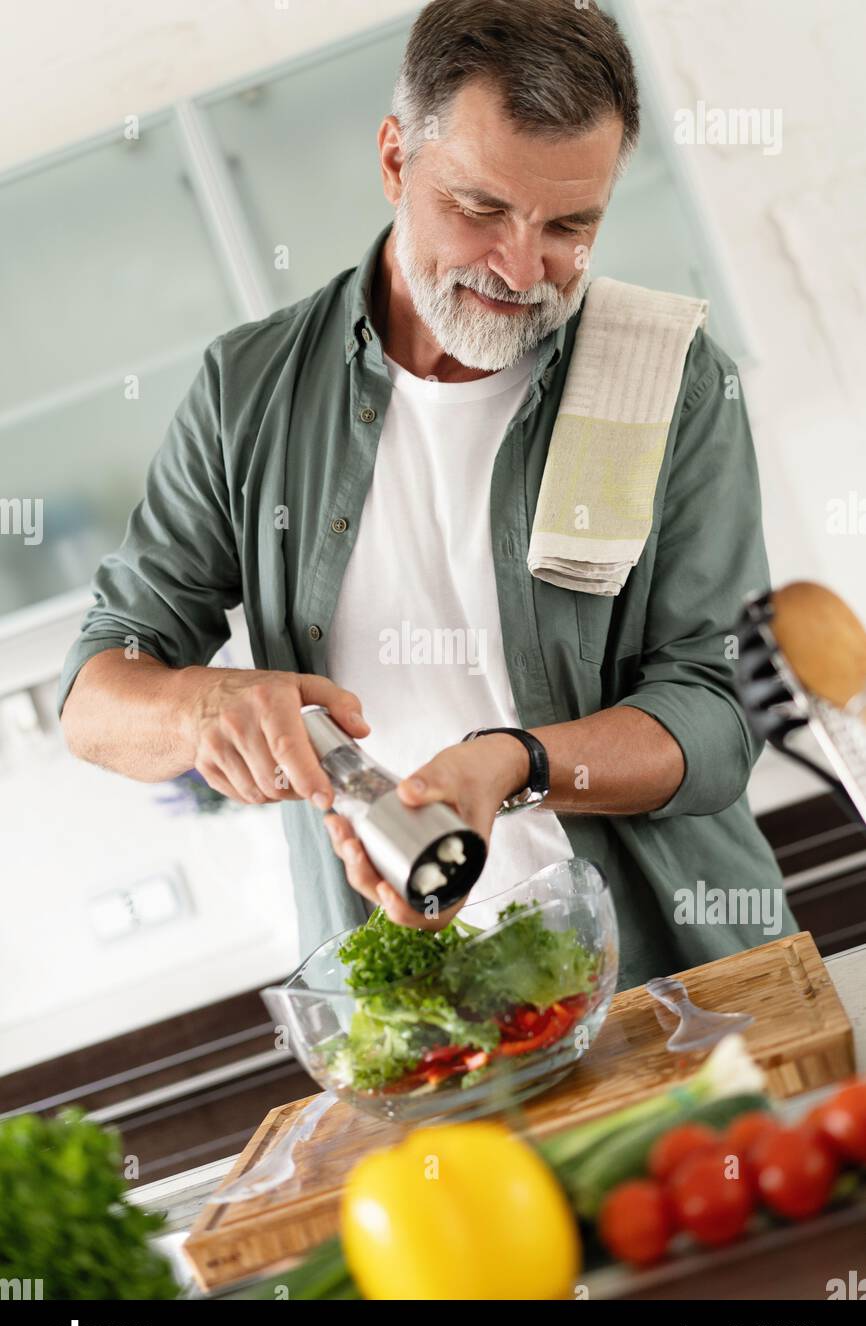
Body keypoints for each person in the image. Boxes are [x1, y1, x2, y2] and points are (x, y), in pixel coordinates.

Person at [59, 0, 795, 987]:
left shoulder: (663, 376)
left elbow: (712, 714)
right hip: (416, 1015)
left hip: (675, 975)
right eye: (481, 210)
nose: (522, 268)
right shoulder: (249, 388)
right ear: (395, 160)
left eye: (568, 225)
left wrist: (516, 763)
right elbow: (97, 697)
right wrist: (204, 709)